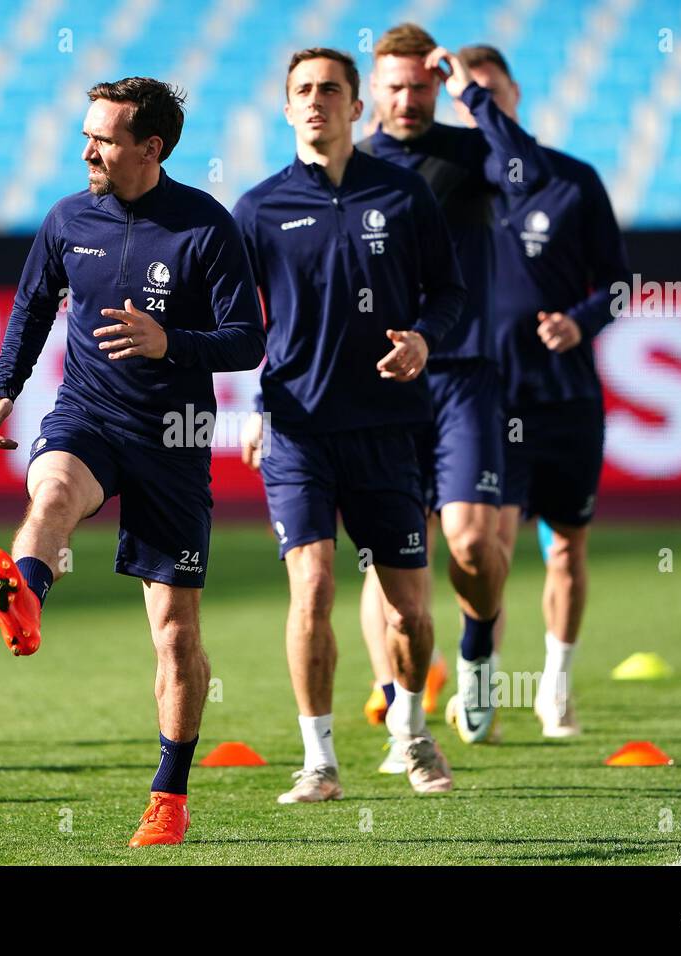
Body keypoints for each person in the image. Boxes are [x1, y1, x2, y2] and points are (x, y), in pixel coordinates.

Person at [0, 77, 265, 845]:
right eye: (85, 134)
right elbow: (34, 305)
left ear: (151, 147)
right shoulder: (67, 218)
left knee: (173, 632)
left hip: (175, 431)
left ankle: (168, 797)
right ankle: (27, 596)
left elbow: (248, 339)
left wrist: (172, 344)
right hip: (90, 413)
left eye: (102, 138)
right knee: (52, 494)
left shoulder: (206, 226)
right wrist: (5, 388)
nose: (87, 150)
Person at [236, 48, 467, 801]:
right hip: (297, 430)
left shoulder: (402, 195)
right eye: (301, 90)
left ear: (355, 107)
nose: (315, 101)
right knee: (312, 588)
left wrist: (426, 337)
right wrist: (250, 403)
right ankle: (320, 761)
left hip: (388, 430)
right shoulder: (258, 208)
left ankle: (413, 731)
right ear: (286, 107)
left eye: (330, 89)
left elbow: (449, 292)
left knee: (409, 610)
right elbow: (233, 323)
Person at [355, 23, 548, 750]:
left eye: (421, 85)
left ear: (438, 87)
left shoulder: (471, 153)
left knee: (470, 545)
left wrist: (475, 93)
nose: (408, 99)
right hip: (376, 384)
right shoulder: (354, 164)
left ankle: (475, 652)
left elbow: (532, 176)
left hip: (465, 374)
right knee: (390, 556)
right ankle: (399, 709)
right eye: (394, 86)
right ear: (374, 90)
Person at [450, 44, 630, 736]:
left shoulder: (572, 181)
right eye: (471, 97)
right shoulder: (450, 187)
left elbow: (617, 283)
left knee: (566, 546)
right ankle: (482, 679)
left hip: (565, 396)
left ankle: (554, 683)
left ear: (516, 96)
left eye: (491, 94)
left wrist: (581, 324)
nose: (482, 108)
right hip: (486, 399)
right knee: (484, 543)